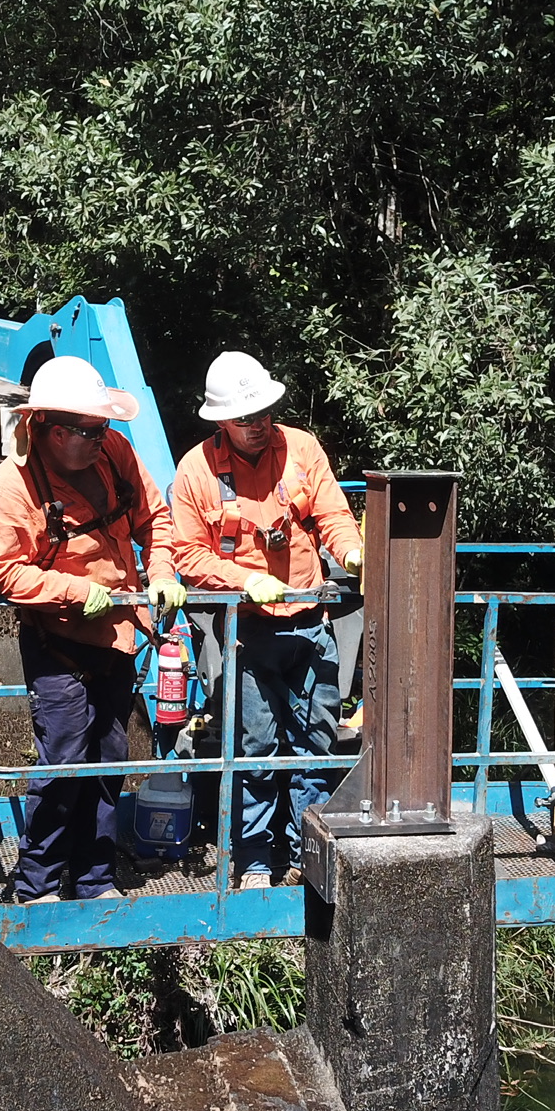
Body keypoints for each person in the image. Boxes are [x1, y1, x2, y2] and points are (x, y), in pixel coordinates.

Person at [0, 356, 184, 902]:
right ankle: (38, 884)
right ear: (47, 428)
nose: (101, 438)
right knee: (64, 761)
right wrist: (72, 591)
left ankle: (95, 879)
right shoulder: (13, 487)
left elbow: (155, 518)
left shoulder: (114, 454)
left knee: (110, 758)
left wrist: (161, 572)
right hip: (60, 644)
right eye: (88, 430)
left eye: (103, 427)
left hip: (119, 634)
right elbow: (0, 571)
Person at [169, 351, 363, 889]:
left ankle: (309, 856)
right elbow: (185, 553)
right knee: (255, 749)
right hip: (247, 632)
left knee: (316, 744)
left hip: (311, 622)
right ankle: (254, 861)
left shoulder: (300, 448)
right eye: (245, 419)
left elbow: (333, 514)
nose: (258, 426)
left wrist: (351, 553)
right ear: (221, 422)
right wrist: (240, 579)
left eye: (263, 414)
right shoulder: (196, 471)